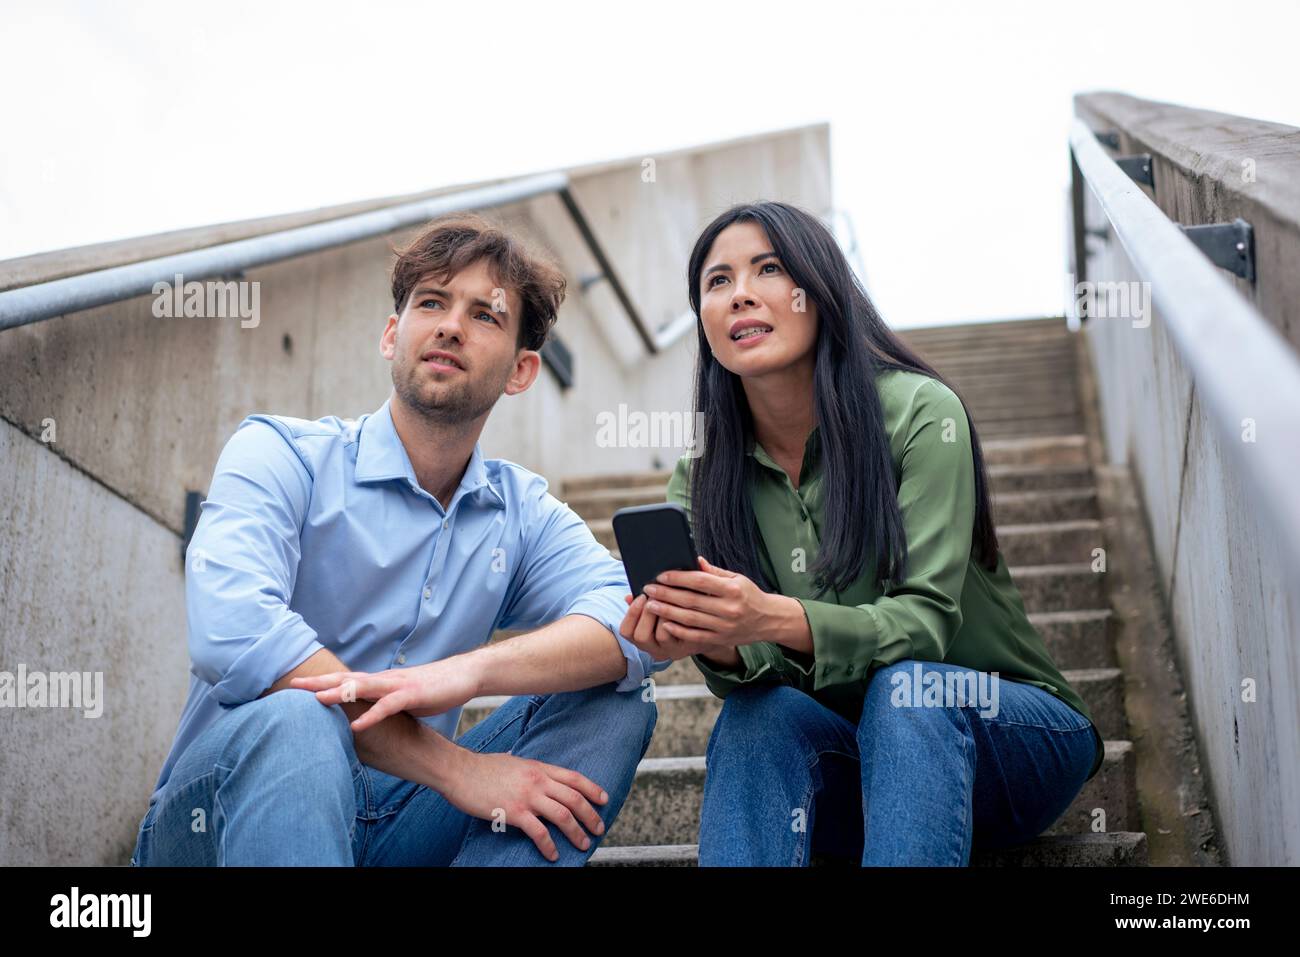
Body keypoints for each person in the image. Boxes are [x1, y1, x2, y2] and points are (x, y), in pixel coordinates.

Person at [130, 213, 665, 867]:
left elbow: (638, 617)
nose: (449, 326)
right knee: (300, 718)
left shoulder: (518, 511)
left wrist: (466, 672)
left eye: (485, 314)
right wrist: (457, 767)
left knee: (616, 698)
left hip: (400, 824)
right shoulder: (282, 454)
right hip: (219, 822)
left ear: (523, 370)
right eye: (431, 303)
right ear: (393, 334)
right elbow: (235, 631)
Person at [616, 201, 1105, 866]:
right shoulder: (702, 478)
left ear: (819, 291)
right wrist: (715, 639)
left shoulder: (921, 416)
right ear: (702, 322)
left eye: (768, 268)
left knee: (908, 691)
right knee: (757, 714)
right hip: (855, 770)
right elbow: (758, 671)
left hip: (1005, 741)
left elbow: (924, 623)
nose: (741, 295)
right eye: (717, 281)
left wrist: (775, 615)